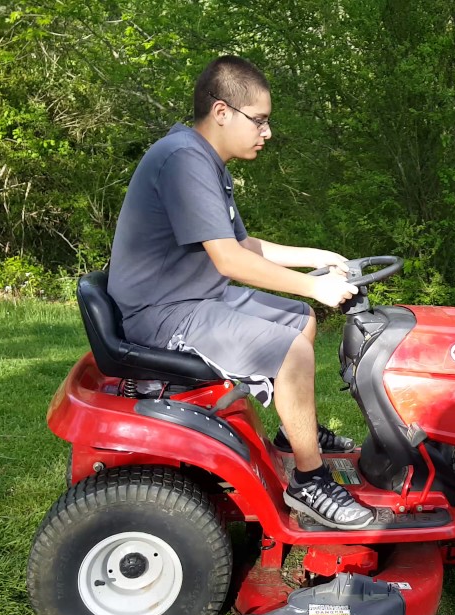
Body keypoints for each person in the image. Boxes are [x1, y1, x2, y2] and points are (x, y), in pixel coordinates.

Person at [106, 56, 375, 530]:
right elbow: (229, 261)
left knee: (299, 319)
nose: (266, 132)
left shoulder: (202, 158)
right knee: (291, 352)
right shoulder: (183, 160)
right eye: (260, 120)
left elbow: (244, 244)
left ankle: (297, 439)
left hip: (192, 297)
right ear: (222, 111)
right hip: (162, 313)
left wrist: (319, 256)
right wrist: (316, 286)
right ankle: (309, 483)